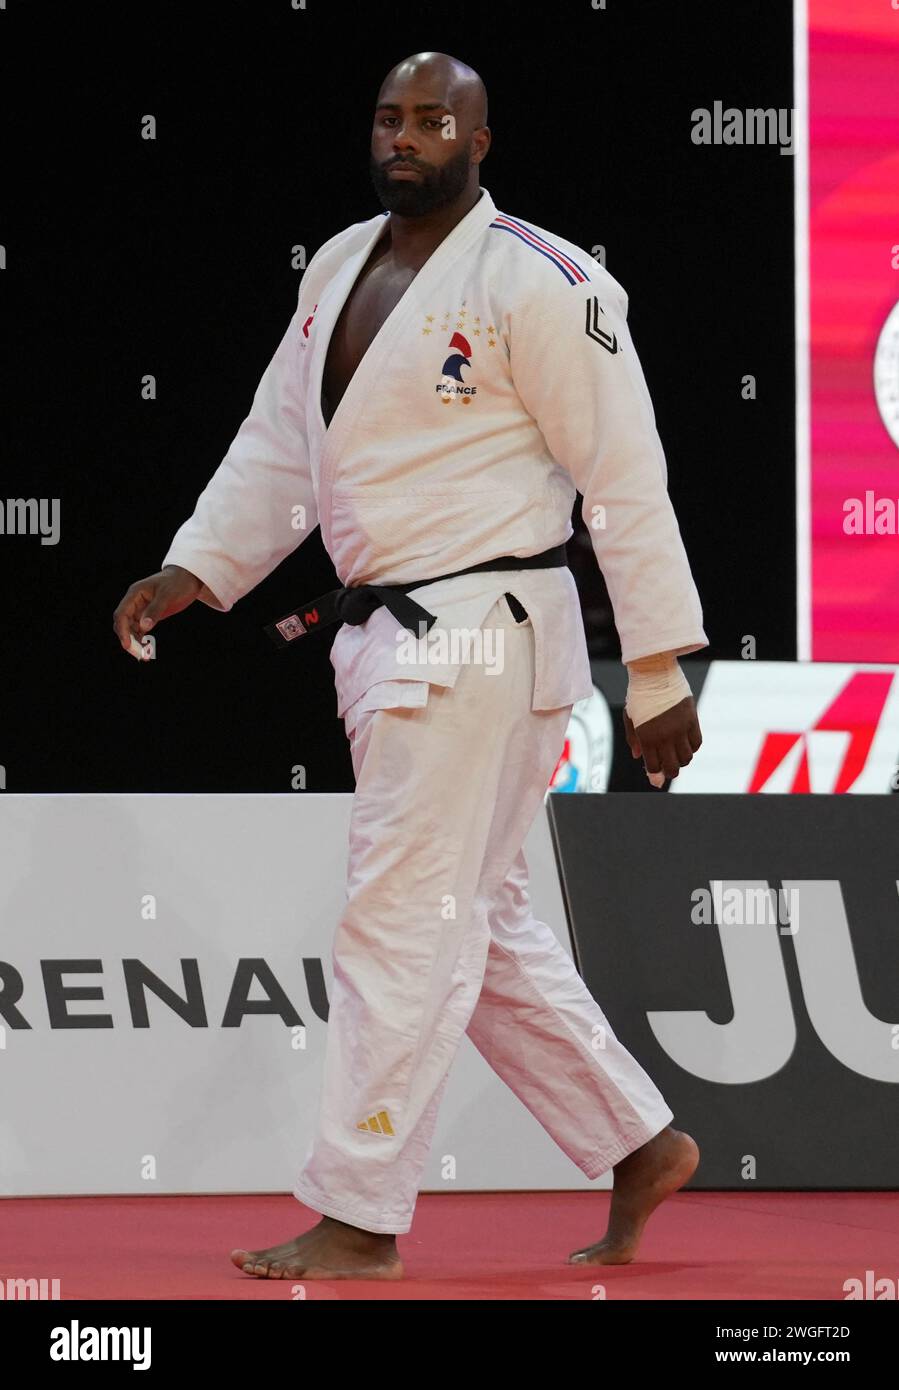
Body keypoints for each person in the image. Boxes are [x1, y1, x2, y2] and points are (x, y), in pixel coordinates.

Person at [113, 50, 706, 1281]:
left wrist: (656, 669)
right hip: (390, 635)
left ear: (482, 139)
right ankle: (637, 1139)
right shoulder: (339, 264)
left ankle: (364, 1211)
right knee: (468, 918)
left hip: (481, 631)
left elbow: (625, 474)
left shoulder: (542, 279)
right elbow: (283, 439)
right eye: (391, 118)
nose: (408, 137)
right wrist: (198, 567)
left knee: (398, 920)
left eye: (436, 120)